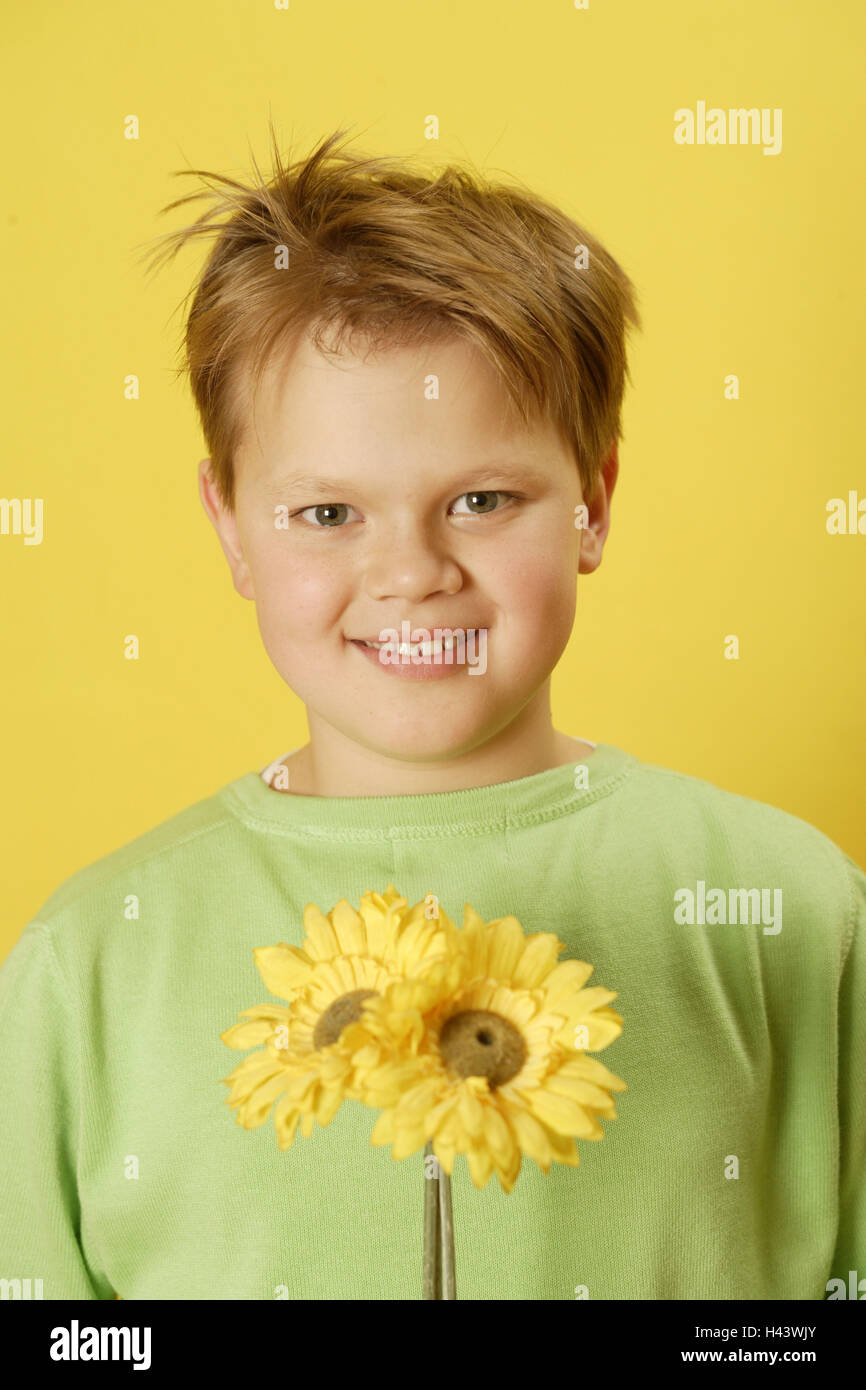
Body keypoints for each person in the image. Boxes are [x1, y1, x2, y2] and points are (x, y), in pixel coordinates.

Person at [1, 127, 862, 1300]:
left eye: (481, 499)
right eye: (327, 514)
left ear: (592, 502)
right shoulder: (87, 964)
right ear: (230, 527)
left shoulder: (796, 911)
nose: (410, 572)